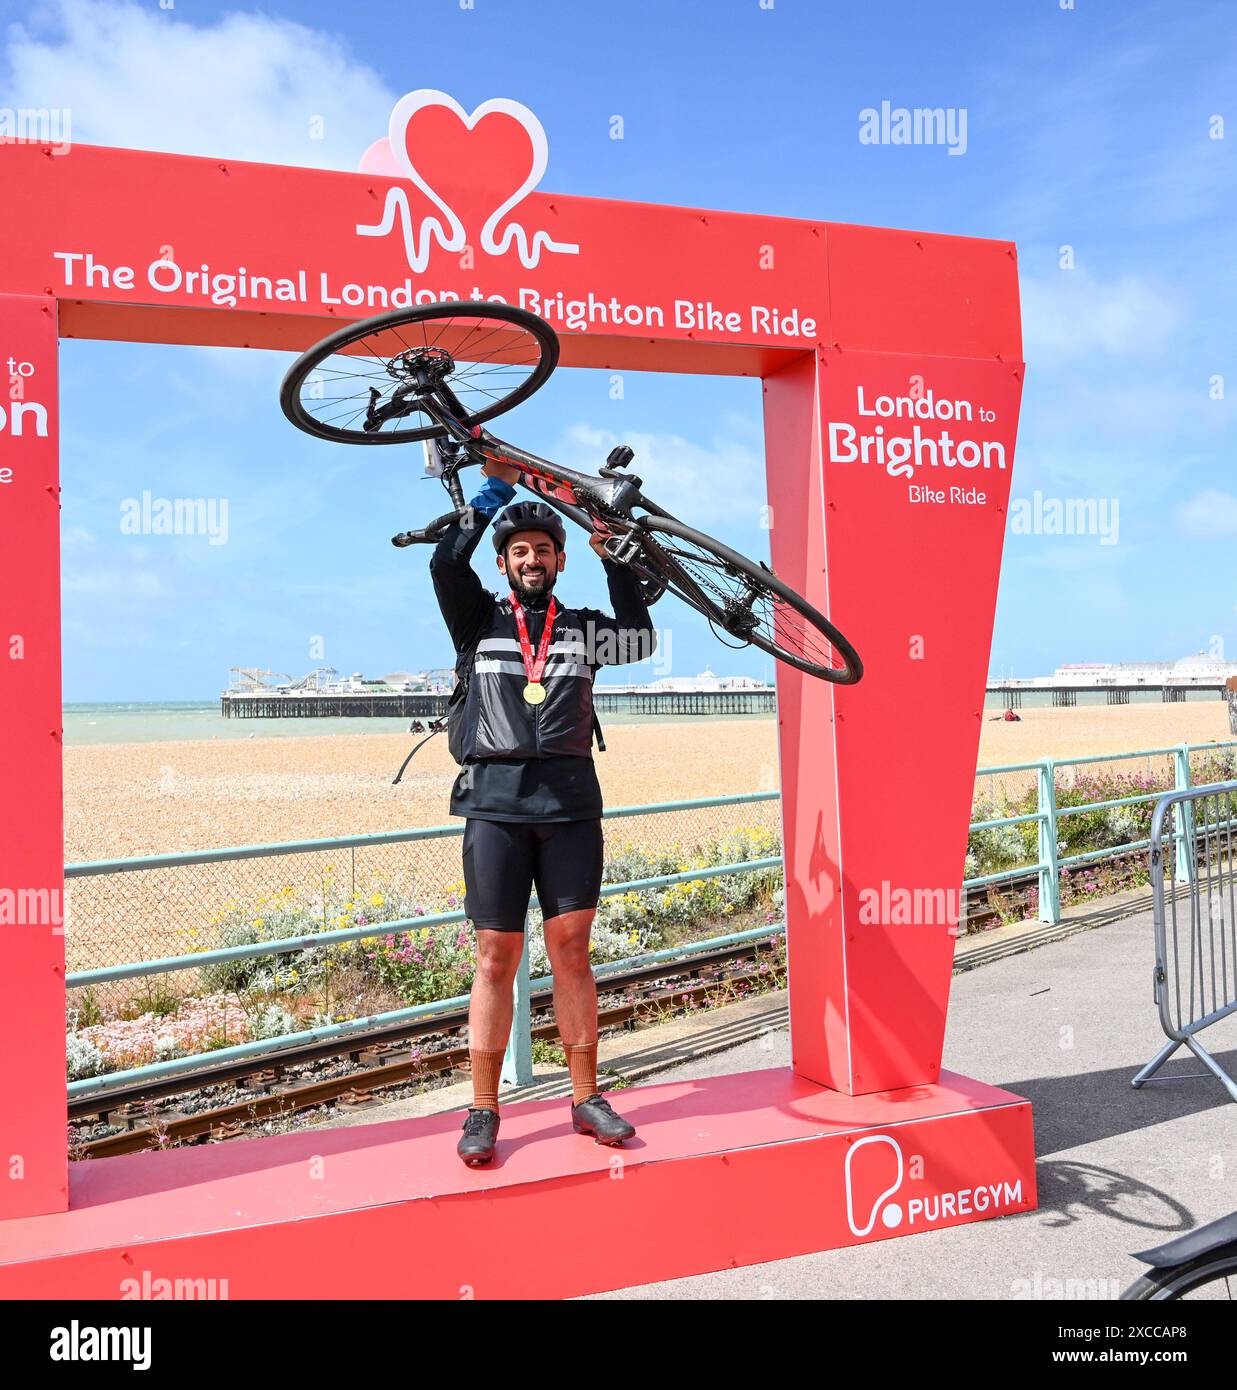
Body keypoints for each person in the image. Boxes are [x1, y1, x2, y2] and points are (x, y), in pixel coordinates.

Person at [430, 458, 657, 1165]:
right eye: (520, 551)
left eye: (543, 550)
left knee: (572, 953)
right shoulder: (474, 621)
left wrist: (615, 560)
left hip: (569, 805)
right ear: (504, 564)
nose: (532, 558)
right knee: (496, 957)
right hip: (493, 805)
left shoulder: (586, 629)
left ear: (559, 561)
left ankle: (586, 1098)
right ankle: (483, 1110)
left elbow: (640, 638)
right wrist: (497, 487)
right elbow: (445, 561)